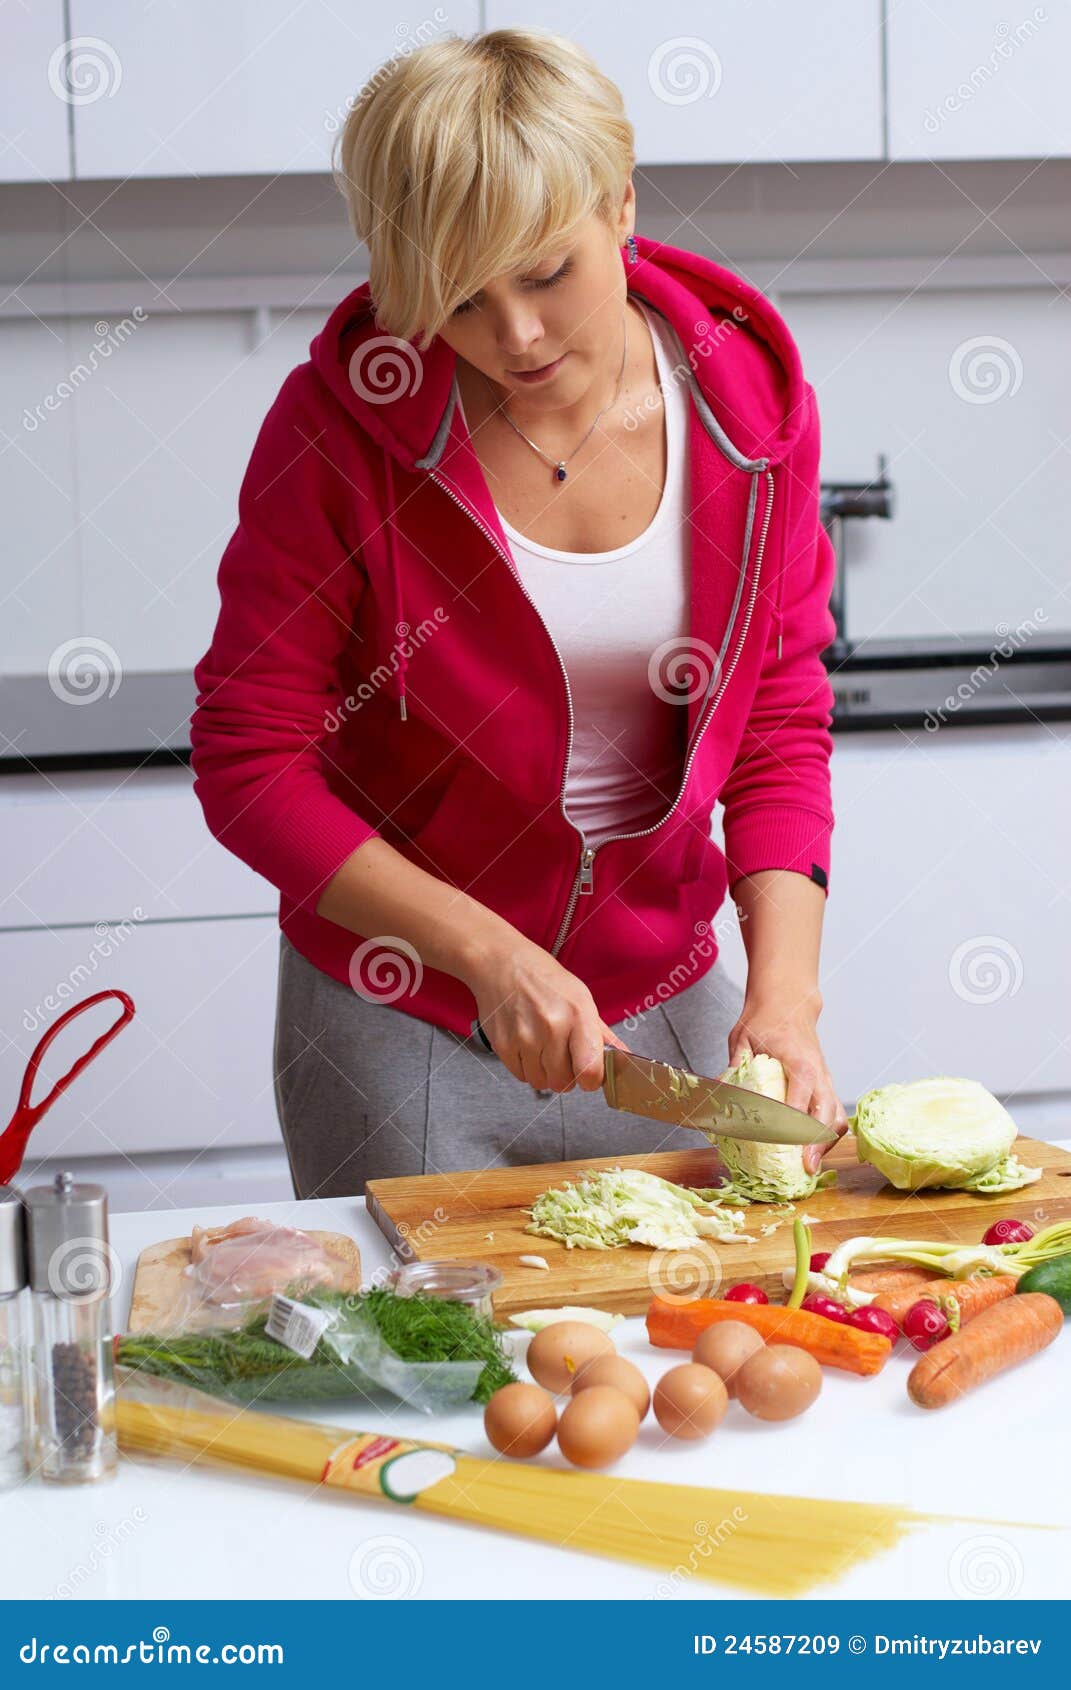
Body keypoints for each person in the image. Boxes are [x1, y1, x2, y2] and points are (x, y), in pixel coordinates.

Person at [189, 28, 849, 1198]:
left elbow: (780, 722)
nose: (516, 337)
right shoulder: (336, 432)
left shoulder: (750, 417)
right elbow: (251, 762)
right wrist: (489, 953)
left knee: (712, 1357)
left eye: (547, 274)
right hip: (404, 1018)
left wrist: (784, 998)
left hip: (672, 1005)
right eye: (459, 297)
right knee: (420, 1376)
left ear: (622, 202)